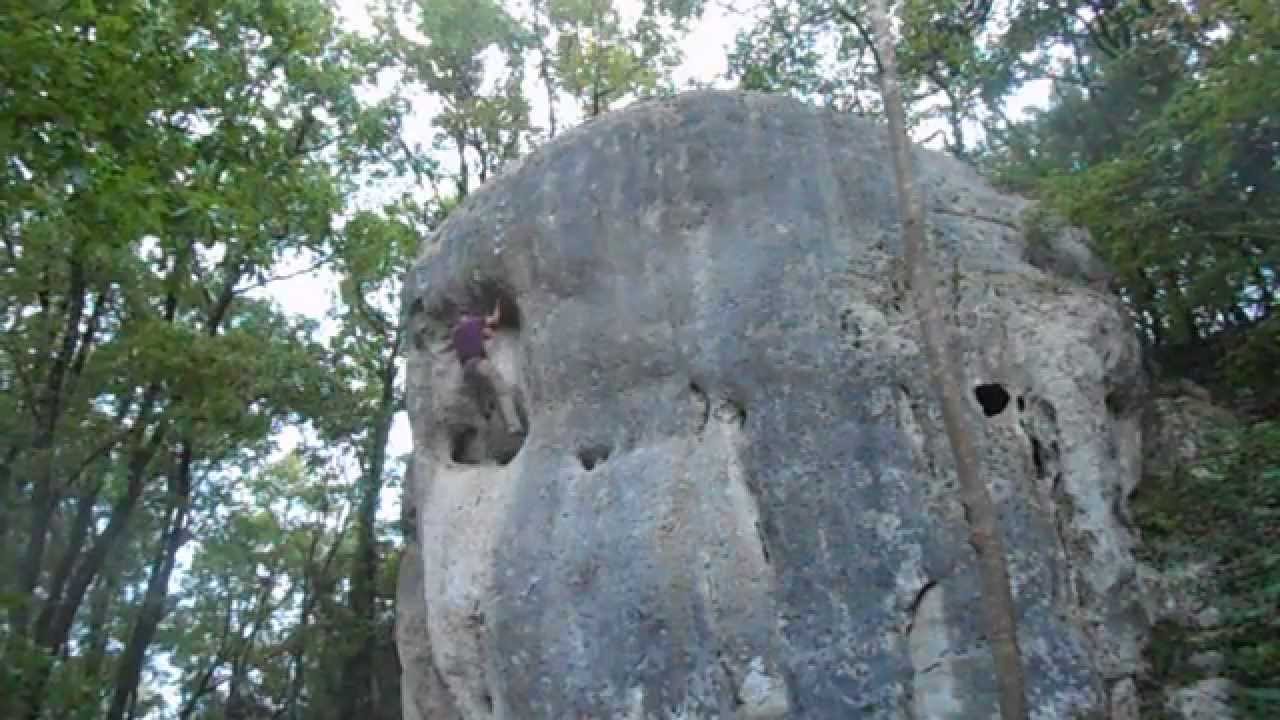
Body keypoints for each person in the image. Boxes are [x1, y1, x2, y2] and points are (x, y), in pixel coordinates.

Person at [452, 300, 523, 435]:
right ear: (469, 315)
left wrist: (485, 334)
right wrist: (498, 302)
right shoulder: (474, 322)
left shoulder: (456, 333)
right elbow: (495, 319)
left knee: (482, 393)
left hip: (466, 371)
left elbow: (482, 335)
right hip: (479, 363)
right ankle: (514, 426)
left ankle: (486, 411)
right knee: (502, 390)